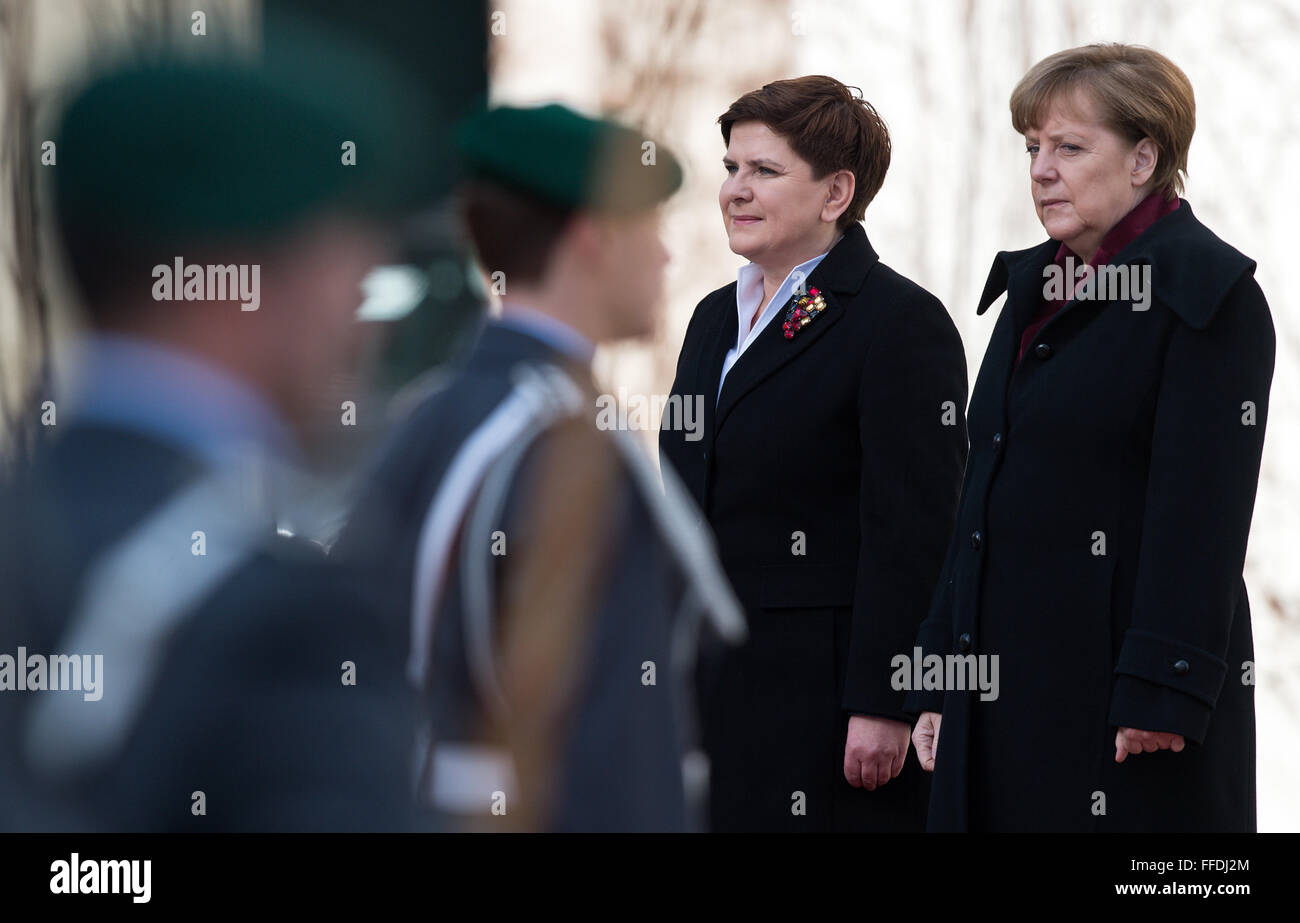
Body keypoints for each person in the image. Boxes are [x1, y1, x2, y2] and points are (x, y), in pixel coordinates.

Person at [0, 57, 420, 831]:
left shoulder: (29, 519)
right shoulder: (287, 608)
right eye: (344, 263)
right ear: (237, 278)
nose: (365, 319)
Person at [333, 104, 744, 832]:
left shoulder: (431, 415)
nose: (664, 257)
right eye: (648, 228)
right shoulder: (568, 446)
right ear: (594, 237)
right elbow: (614, 761)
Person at [908, 43, 1274, 832]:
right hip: (996, 691)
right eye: (1032, 148)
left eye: (1069, 147)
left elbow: (1202, 515)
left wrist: (1162, 687)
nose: (1041, 170)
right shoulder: (1029, 289)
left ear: (1144, 157)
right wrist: (938, 669)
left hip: (1120, 709)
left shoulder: (1207, 295)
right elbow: (977, 502)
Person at [659, 75, 968, 831]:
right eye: (731, 167)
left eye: (764, 170)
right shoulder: (713, 318)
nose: (736, 189)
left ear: (836, 192)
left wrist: (886, 702)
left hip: (822, 710)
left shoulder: (899, 322)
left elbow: (916, 530)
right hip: (706, 695)